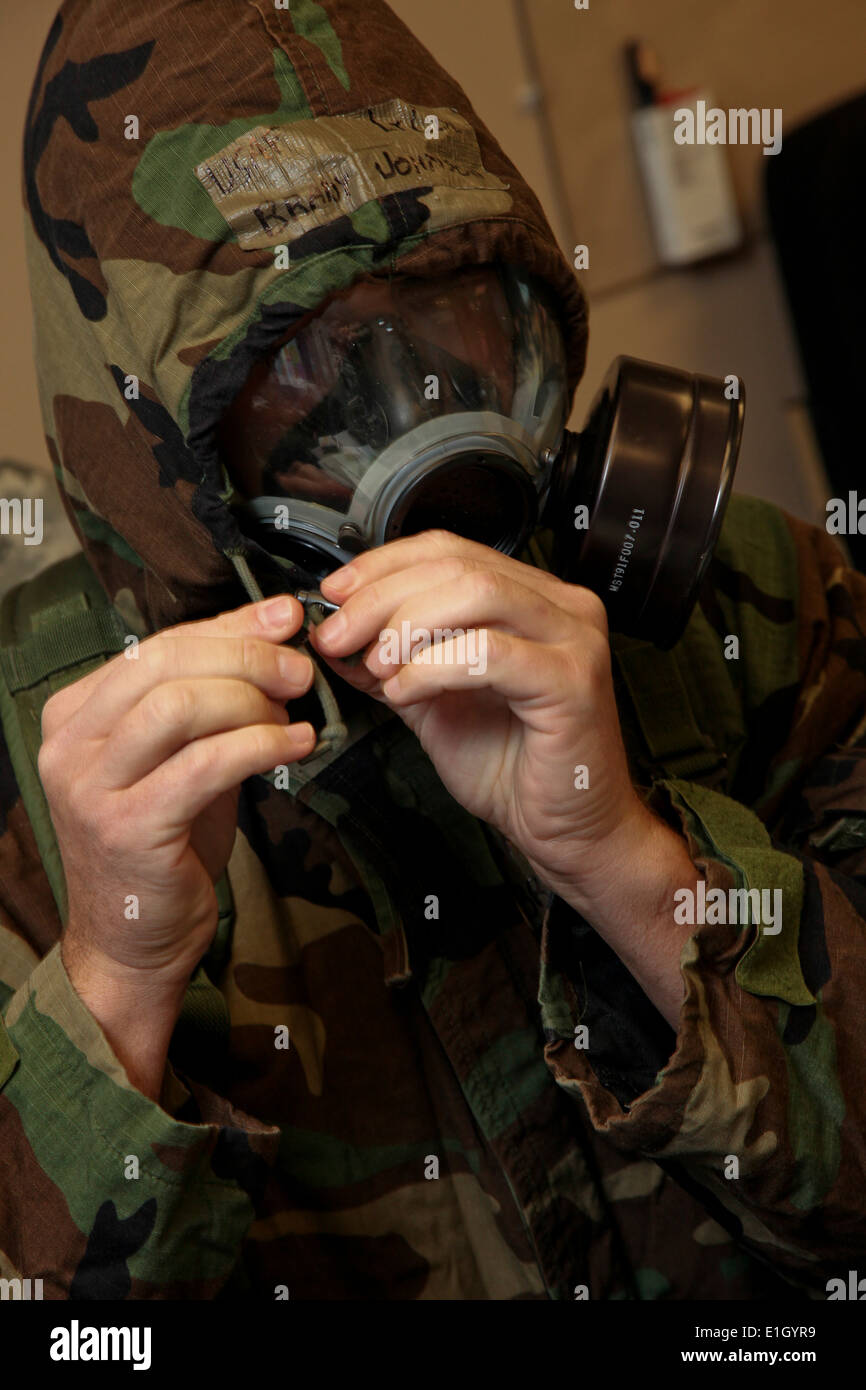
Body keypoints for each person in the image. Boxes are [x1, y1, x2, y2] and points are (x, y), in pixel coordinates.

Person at [1, 0, 864, 1302]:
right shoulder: (33, 774)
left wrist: (635, 864)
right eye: (301, 356)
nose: (406, 398)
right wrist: (116, 984)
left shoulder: (758, 607)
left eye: (443, 305)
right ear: (163, 451)